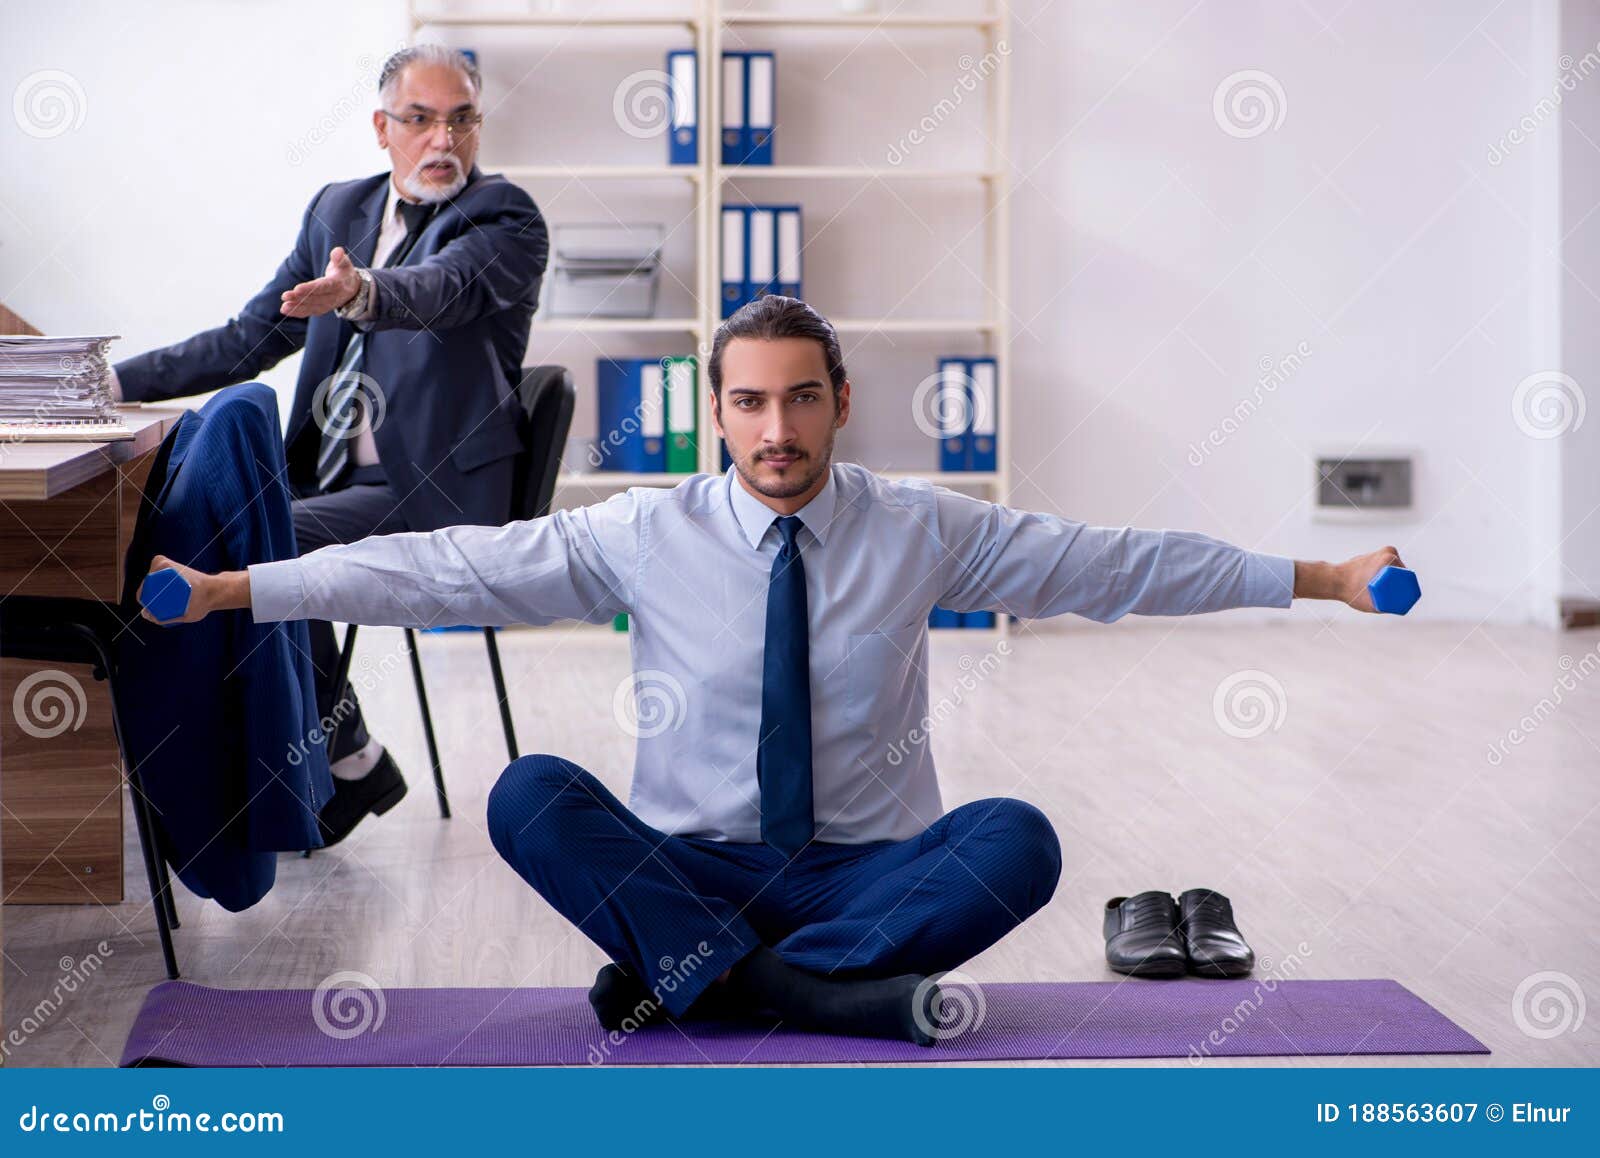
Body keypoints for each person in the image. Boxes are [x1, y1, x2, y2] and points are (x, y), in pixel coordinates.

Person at [139, 296, 1408, 1044]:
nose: (777, 431)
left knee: (1017, 838)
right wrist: (235, 589)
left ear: (841, 403)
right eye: (749, 404)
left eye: (801, 400)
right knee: (529, 795)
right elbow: (443, 572)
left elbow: (1109, 564)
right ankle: (827, 998)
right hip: (699, 860)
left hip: (871, 871)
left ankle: (700, 978)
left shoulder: (920, 524)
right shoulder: (646, 531)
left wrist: (1321, 580)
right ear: (717, 413)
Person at [114, 45, 549, 846]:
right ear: (383, 128)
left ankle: (319, 767)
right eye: (421, 120)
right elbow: (250, 337)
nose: (443, 140)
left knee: (265, 542)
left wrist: (362, 291)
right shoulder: (337, 210)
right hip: (327, 480)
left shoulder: (505, 217)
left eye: (461, 120)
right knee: (198, 524)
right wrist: (108, 383)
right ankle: (341, 756)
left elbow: (442, 292)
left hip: (437, 487)